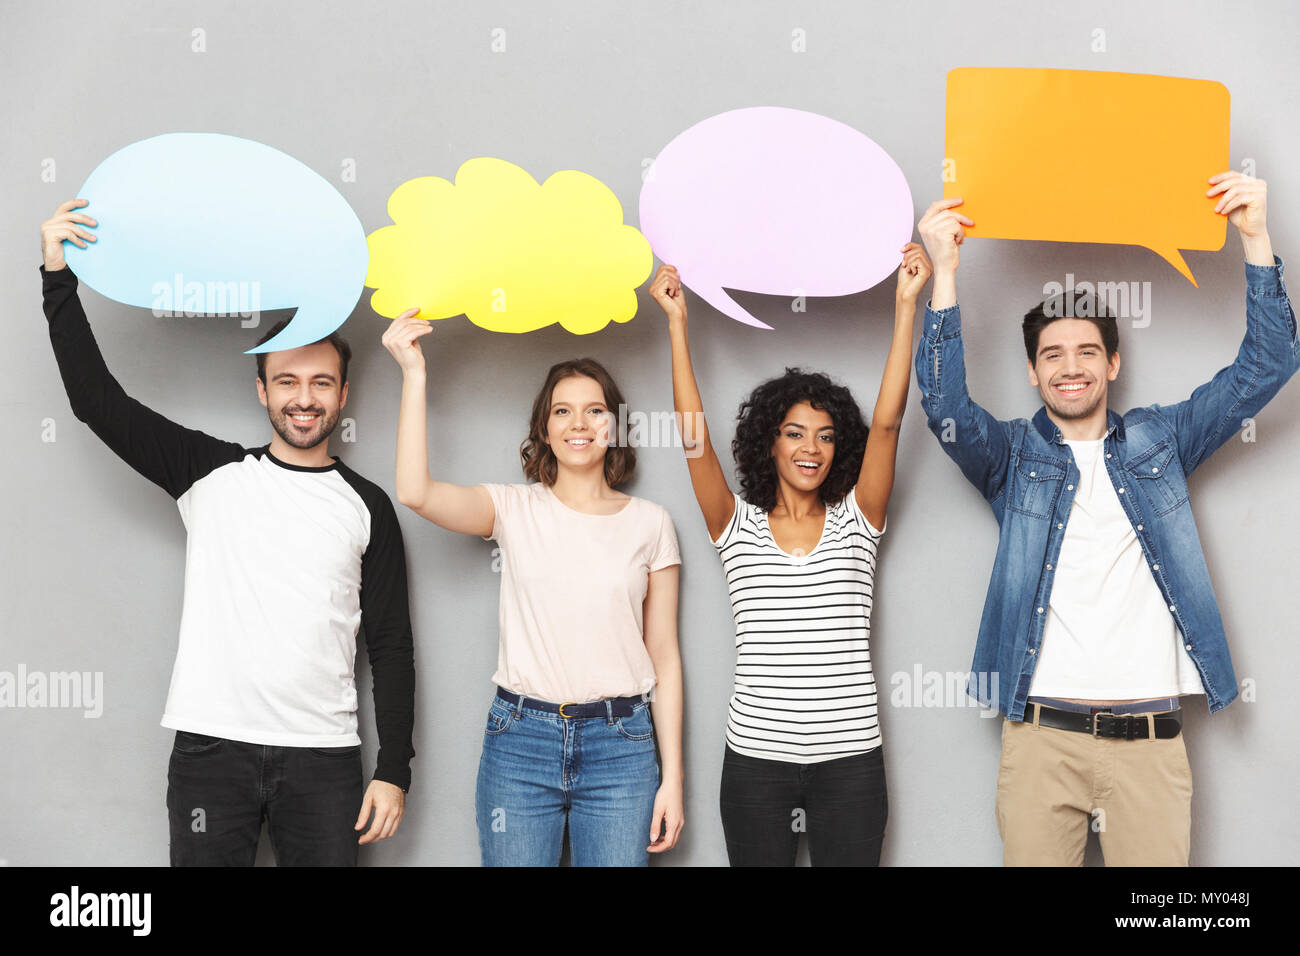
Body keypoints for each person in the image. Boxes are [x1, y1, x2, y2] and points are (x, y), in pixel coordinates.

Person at [913, 172, 1298, 865]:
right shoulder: (1011, 456)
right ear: (1032, 372)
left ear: (1113, 362)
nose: (1070, 368)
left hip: (1151, 745)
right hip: (1041, 743)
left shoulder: (1162, 440)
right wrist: (945, 272)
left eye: (1087, 351)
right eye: (1052, 355)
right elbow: (942, 403)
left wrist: (1256, 236)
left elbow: (1269, 364)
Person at [40, 199, 415, 866]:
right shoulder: (207, 472)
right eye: (288, 381)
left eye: (322, 382)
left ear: (344, 395)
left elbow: (390, 645)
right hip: (211, 751)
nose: (305, 397)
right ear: (262, 391)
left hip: (325, 760)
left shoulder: (368, 507)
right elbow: (95, 400)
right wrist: (56, 274)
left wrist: (395, 769)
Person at [648, 243, 932, 866]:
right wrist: (677, 325)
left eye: (827, 437)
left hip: (851, 765)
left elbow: (887, 425)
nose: (812, 449)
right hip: (755, 764)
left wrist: (906, 305)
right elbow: (693, 440)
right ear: (769, 443)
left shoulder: (859, 521)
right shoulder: (736, 527)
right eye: (796, 433)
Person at [381, 311, 684, 866]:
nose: (579, 423)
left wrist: (673, 780)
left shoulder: (651, 522)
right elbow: (415, 491)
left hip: (623, 746)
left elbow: (663, 652)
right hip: (521, 740)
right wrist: (414, 374)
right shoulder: (513, 508)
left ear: (613, 425)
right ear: (544, 429)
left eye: (594, 410)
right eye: (562, 411)